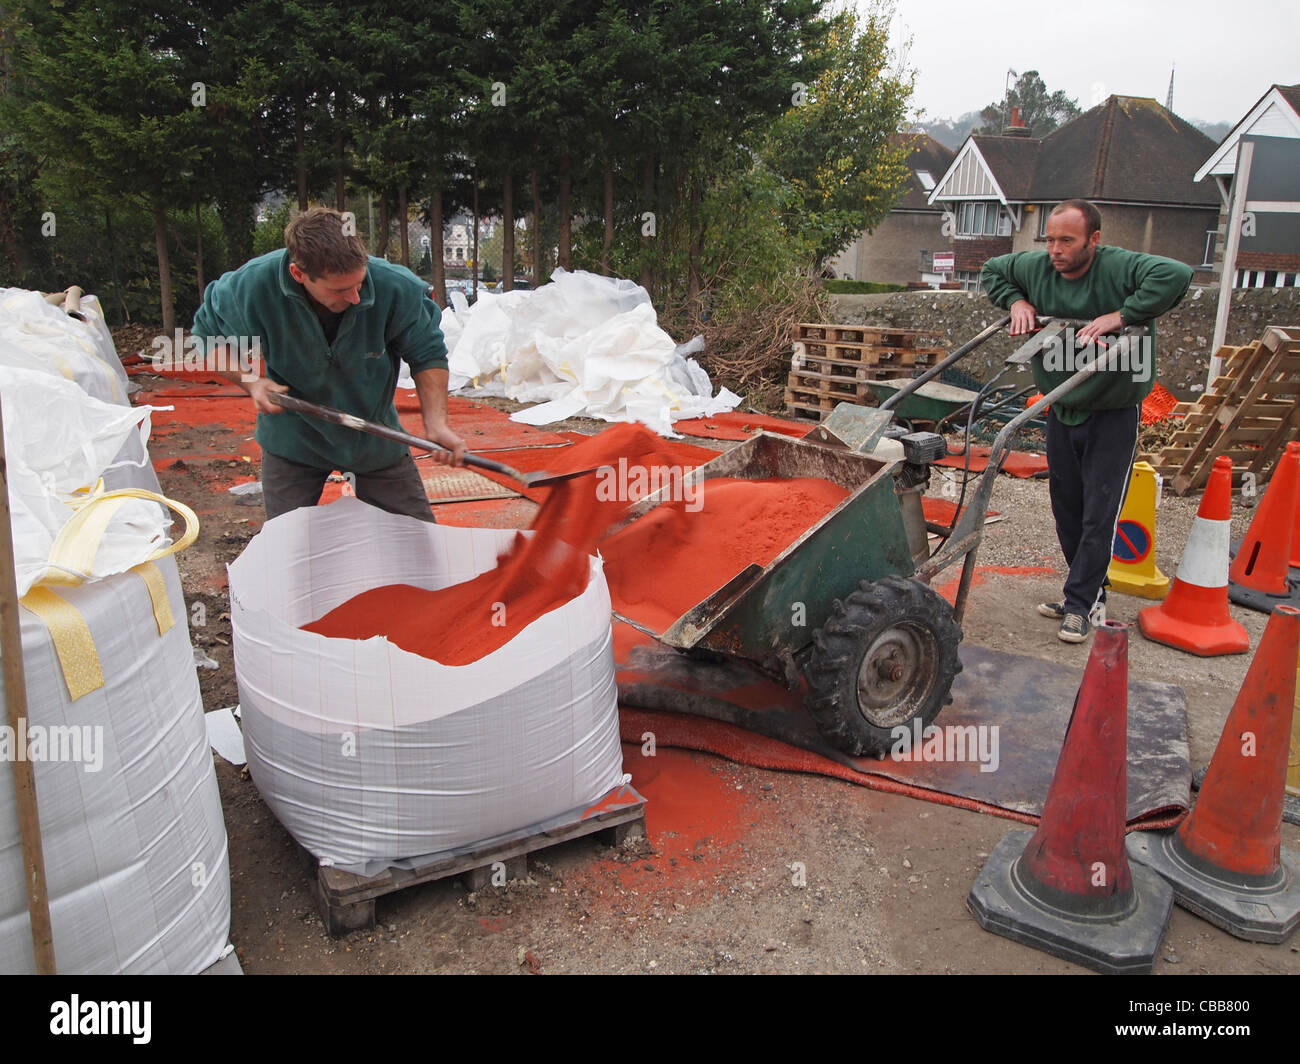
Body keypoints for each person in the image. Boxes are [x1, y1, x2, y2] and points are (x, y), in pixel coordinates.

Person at [981, 198, 1193, 643]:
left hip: (1113, 408)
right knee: (1066, 507)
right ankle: (1087, 592)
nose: (1055, 249)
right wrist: (1016, 301)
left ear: (1093, 240)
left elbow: (1176, 274)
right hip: (1062, 403)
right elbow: (993, 270)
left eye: (1067, 240)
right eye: (1051, 239)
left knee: (1101, 512)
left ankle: (1081, 604)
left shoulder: (1119, 267)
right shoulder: (1037, 267)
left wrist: (1122, 315)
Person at [193, 207, 467, 522]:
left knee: (417, 539)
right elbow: (209, 336)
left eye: (359, 284)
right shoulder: (252, 286)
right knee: (288, 545)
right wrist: (251, 381)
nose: (354, 297)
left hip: (374, 436)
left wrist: (436, 423)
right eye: (339, 290)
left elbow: (427, 352)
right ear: (298, 274)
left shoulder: (394, 287)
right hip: (293, 439)